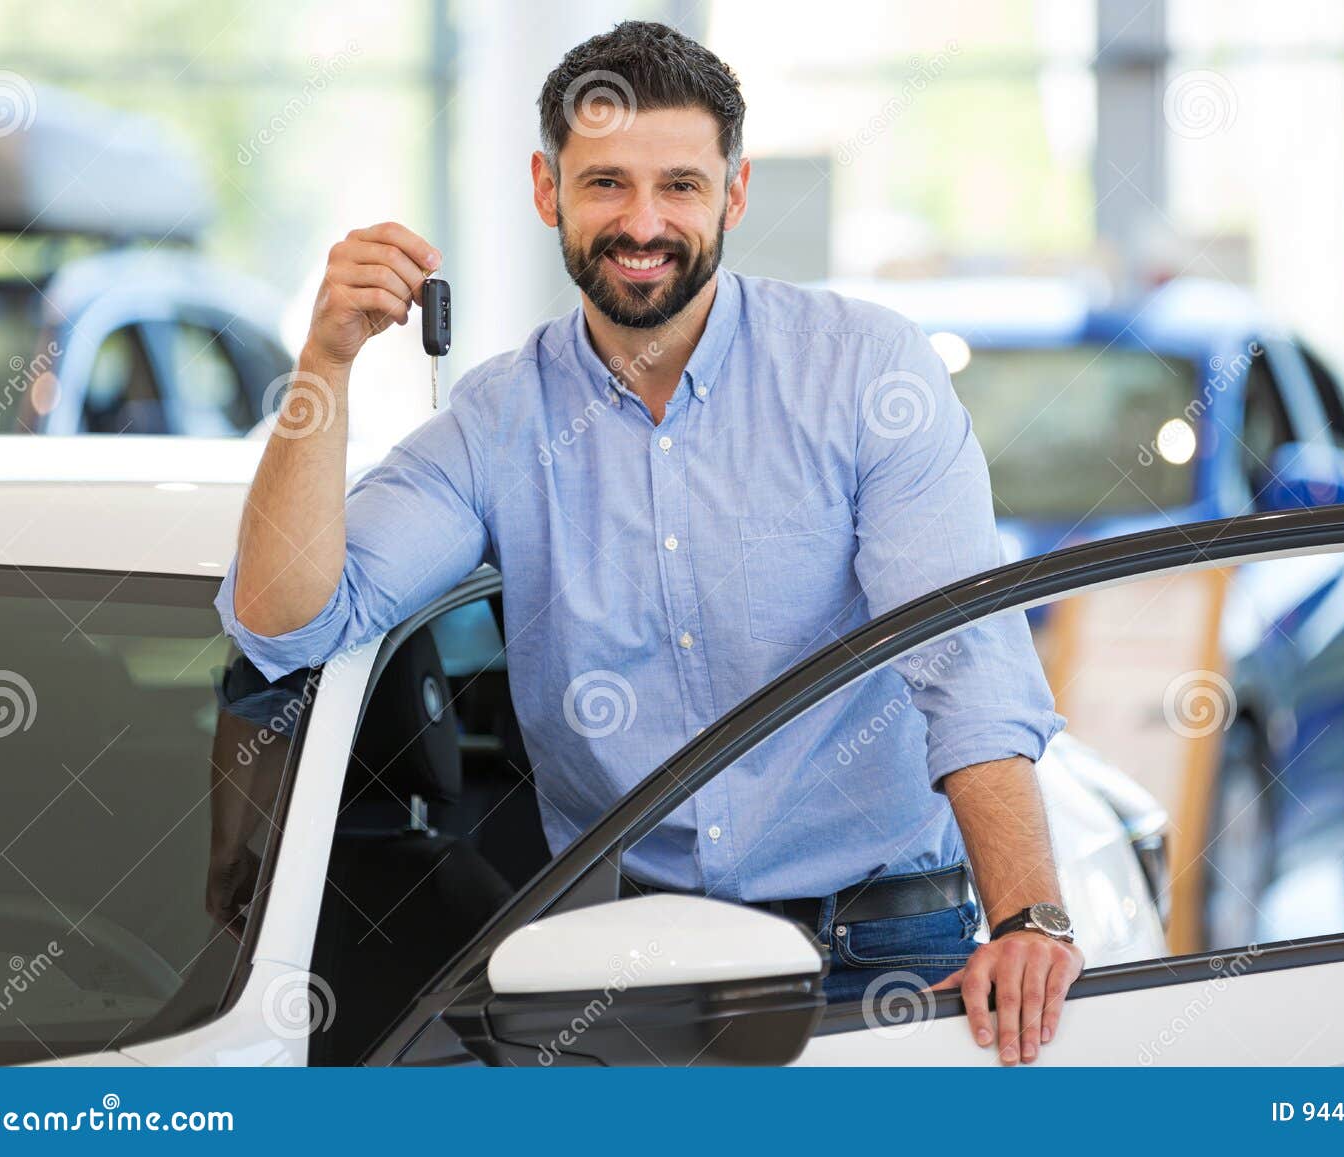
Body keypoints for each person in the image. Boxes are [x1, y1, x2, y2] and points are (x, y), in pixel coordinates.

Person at [214, 19, 1079, 1065]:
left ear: (734, 193)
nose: (643, 222)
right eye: (606, 184)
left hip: (883, 947)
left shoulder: (863, 372)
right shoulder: (498, 421)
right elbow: (288, 621)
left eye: (678, 184)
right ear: (547, 191)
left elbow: (957, 654)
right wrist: (327, 360)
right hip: (632, 962)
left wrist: (1027, 915)